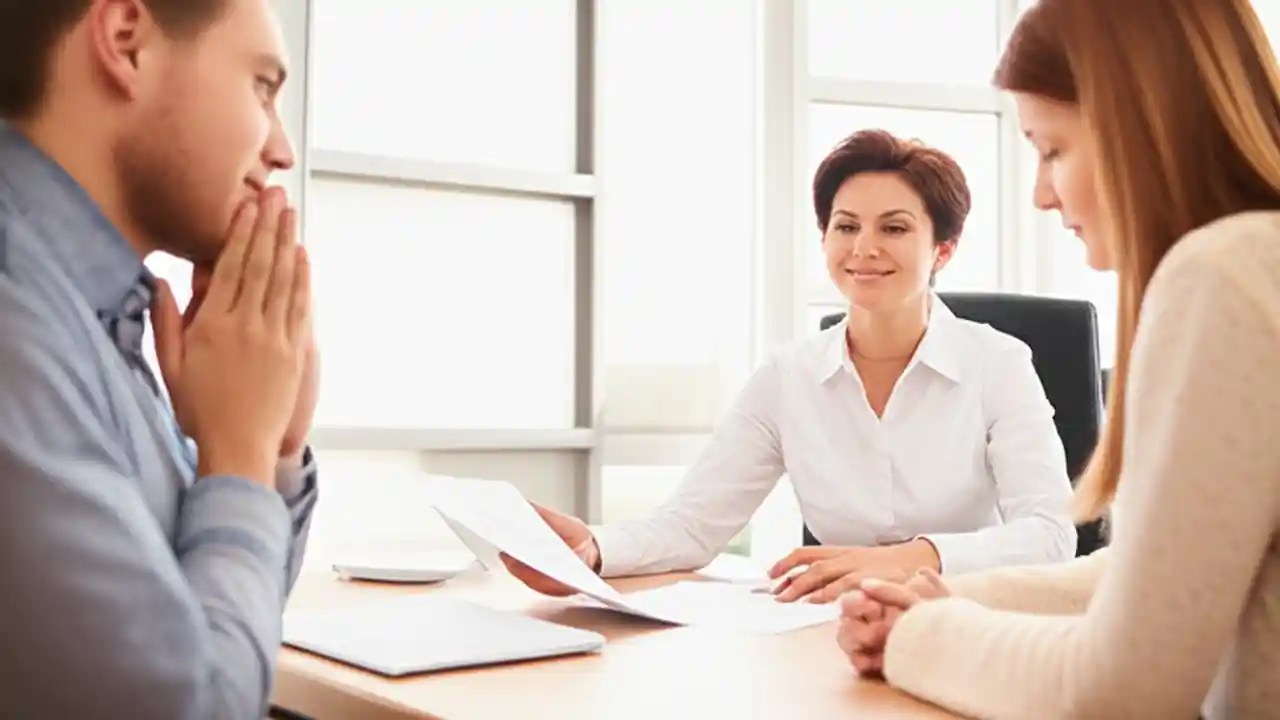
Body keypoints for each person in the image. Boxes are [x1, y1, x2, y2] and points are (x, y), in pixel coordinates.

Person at [836, 0, 1280, 717]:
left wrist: (919, 634)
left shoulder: (1222, 275)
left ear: (1142, 123)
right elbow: (1156, 580)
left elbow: (1123, 689)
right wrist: (941, 599)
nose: (1042, 195)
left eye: (1052, 150)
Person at [508, 129, 1076, 604]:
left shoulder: (998, 363)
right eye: (846, 226)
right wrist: (593, 548)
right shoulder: (787, 377)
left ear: (943, 251)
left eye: (895, 228)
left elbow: (1050, 536)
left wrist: (909, 560)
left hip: (963, 623)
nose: (864, 247)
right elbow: (692, 526)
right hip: (827, 631)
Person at [0, 1, 320, 717]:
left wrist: (272, 449)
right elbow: (194, 704)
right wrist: (238, 453)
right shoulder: (19, 327)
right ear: (125, 41)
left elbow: (213, 628)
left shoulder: (94, 310)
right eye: (262, 87)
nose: (282, 149)